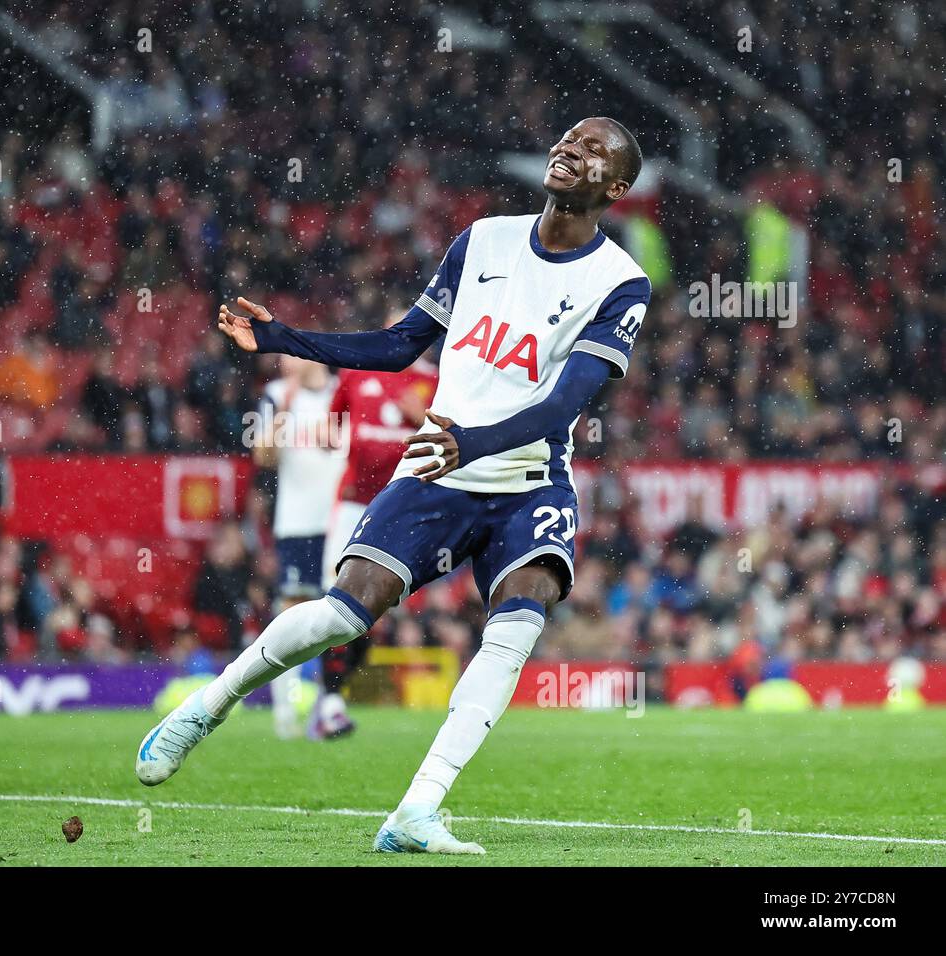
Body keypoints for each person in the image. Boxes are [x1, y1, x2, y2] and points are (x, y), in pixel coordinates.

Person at [135, 117, 650, 855]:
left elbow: (563, 406)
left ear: (616, 188)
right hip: (436, 470)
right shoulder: (482, 241)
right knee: (343, 616)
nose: (571, 148)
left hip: (529, 478)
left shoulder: (621, 283)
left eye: (594, 149)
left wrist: (472, 439)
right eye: (568, 137)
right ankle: (206, 707)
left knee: (520, 616)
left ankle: (417, 808)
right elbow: (401, 343)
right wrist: (286, 338)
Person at [309, 321, 438, 739]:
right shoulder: (358, 372)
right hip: (351, 502)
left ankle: (332, 696)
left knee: (369, 617)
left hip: (398, 506)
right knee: (338, 599)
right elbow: (333, 426)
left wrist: (418, 416)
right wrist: (326, 435)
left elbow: (450, 439)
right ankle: (329, 703)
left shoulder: (434, 382)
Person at [252, 355, 341, 738]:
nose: (284, 362)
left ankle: (327, 710)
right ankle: (285, 713)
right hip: (296, 524)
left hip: (339, 524)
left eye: (291, 353)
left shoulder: (343, 393)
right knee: (289, 618)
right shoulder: (274, 395)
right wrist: (285, 409)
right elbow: (263, 457)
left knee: (338, 620)